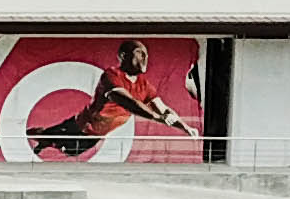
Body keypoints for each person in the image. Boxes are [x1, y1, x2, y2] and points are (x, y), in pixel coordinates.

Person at [28, 40, 185, 158]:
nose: (145, 57)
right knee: (49, 137)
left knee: (69, 151)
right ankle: (34, 135)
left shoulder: (145, 86)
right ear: (123, 56)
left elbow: (164, 109)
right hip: (80, 125)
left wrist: (185, 127)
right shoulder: (112, 75)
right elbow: (129, 103)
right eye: (139, 53)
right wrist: (157, 117)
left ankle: (48, 141)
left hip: (96, 134)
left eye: (146, 54)